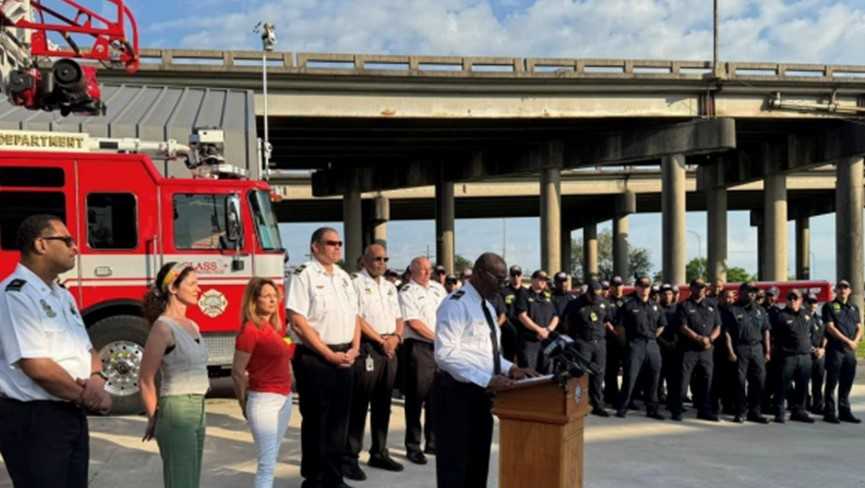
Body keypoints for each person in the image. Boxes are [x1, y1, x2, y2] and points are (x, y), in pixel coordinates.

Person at [0, 215, 111, 488]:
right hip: (35, 419)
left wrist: (97, 378)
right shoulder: (15, 295)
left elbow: (87, 348)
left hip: (69, 412)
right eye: (67, 240)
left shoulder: (62, 296)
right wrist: (88, 397)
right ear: (41, 244)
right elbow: (36, 366)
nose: (76, 248)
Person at [433, 252, 536, 488]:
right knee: (456, 468)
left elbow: (486, 354)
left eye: (504, 278)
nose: (502, 284)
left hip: (482, 395)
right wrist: (487, 380)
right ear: (479, 273)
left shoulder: (487, 307)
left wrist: (512, 369)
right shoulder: (455, 304)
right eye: (498, 278)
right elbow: (445, 354)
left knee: (477, 465)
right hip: (457, 395)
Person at [286, 227, 361, 488]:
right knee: (317, 420)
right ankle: (315, 477)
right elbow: (297, 321)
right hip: (316, 356)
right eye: (331, 243)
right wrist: (329, 354)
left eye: (339, 242)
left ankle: (334, 476)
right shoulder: (303, 274)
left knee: (340, 421)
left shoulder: (343, 277)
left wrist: (355, 348)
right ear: (315, 246)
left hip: (345, 354)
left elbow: (355, 317)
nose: (337, 247)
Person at [140, 262, 210, 488]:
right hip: (177, 408)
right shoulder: (163, 328)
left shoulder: (193, 325)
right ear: (173, 288)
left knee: (191, 480)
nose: (197, 288)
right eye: (192, 283)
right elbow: (145, 378)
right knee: (180, 482)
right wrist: (154, 417)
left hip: (199, 407)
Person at [343, 244, 404, 480]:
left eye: (385, 259)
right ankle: (350, 457)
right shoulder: (356, 282)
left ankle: (379, 451)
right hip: (371, 347)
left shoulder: (390, 287)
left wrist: (396, 338)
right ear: (365, 260)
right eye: (377, 258)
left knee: (383, 403)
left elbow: (399, 317)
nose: (381, 262)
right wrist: (381, 340)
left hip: (390, 348)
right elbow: (356, 317)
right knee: (360, 404)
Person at [231, 278, 296, 488]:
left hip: (284, 399)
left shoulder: (276, 328)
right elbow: (237, 372)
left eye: (274, 295)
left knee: (272, 457)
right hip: (264, 401)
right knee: (267, 465)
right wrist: (243, 403)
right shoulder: (250, 330)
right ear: (254, 300)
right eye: (266, 296)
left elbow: (287, 352)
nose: (272, 300)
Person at [399, 256, 447, 465]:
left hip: (440, 348)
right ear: (413, 270)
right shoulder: (407, 291)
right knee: (416, 399)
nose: (428, 273)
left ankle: (433, 441)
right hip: (419, 348)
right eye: (423, 269)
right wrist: (439, 338)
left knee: (436, 398)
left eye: (430, 269)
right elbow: (414, 323)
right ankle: (413, 445)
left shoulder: (438, 288)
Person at [670, 278, 721, 422]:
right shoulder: (684, 305)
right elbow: (682, 327)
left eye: (703, 287)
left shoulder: (712, 306)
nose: (701, 289)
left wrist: (710, 339)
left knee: (707, 380)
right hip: (688, 350)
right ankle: (677, 410)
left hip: (707, 350)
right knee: (682, 381)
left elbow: (718, 326)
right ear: (691, 288)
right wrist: (699, 338)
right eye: (697, 287)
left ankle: (704, 410)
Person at [616, 276, 666, 420]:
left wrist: (652, 338)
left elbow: (661, 325)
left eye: (647, 286)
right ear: (636, 287)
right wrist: (628, 343)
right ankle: (623, 407)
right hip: (635, 344)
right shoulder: (628, 305)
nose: (645, 289)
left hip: (652, 344)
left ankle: (652, 409)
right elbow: (620, 327)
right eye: (642, 286)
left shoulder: (655, 306)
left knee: (654, 377)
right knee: (630, 377)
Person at [720, 282, 770, 424]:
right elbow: (727, 333)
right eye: (749, 291)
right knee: (740, 382)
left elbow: (766, 330)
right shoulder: (732, 309)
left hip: (757, 349)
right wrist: (730, 351)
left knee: (759, 381)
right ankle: (740, 412)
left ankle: (755, 412)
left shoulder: (760, 310)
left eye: (754, 291)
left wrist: (767, 351)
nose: (752, 294)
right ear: (741, 292)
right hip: (740, 348)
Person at [563, 280, 612, 416]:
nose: (595, 299)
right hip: (582, 343)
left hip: (600, 343)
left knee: (599, 374)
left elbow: (608, 320)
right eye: (593, 297)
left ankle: (598, 405)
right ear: (588, 293)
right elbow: (566, 323)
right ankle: (579, 405)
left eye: (598, 296)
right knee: (581, 374)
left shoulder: (604, 303)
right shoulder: (575, 304)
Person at [771, 290, 815, 423]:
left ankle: (799, 411)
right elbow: (775, 337)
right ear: (786, 300)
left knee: (802, 386)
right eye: (790, 298)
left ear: (801, 300)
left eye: (796, 298)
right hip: (788, 357)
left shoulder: (806, 314)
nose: (793, 301)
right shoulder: (781, 316)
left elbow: (812, 333)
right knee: (782, 385)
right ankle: (779, 412)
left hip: (805, 356)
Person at [821, 280, 862, 423]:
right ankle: (830, 413)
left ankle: (845, 412)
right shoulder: (829, 306)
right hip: (835, 350)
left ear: (850, 291)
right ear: (835, 290)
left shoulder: (854, 308)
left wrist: (856, 341)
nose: (843, 290)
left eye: (846, 287)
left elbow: (859, 327)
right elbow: (830, 328)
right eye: (840, 287)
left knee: (847, 382)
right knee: (832, 382)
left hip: (850, 351)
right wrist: (848, 341)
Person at [514, 270, 559, 372]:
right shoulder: (523, 294)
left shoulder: (548, 296)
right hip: (530, 341)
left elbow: (556, 317)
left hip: (547, 341)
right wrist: (539, 330)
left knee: (547, 371)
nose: (543, 282)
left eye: (545, 280)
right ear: (533, 280)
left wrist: (547, 331)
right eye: (540, 279)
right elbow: (522, 316)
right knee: (529, 373)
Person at [604, 276, 627, 408]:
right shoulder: (605, 302)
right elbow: (604, 319)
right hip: (610, 341)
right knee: (611, 371)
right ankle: (610, 396)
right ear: (611, 287)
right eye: (615, 285)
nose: (617, 288)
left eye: (620, 285)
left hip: (625, 342)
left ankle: (623, 398)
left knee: (627, 371)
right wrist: (611, 329)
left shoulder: (628, 301)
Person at [499, 265, 526, 363]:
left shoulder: (526, 292)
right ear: (509, 276)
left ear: (521, 276)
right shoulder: (503, 292)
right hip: (508, 333)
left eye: (518, 274)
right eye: (513, 275)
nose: (516, 277)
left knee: (524, 362)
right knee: (508, 361)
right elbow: (502, 313)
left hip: (524, 333)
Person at [806, 294, 827, 415]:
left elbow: (825, 335)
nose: (812, 305)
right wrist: (813, 349)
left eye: (814, 302)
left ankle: (818, 405)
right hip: (806, 354)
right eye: (809, 302)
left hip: (819, 355)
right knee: (803, 382)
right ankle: (804, 404)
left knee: (818, 382)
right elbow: (800, 337)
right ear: (805, 303)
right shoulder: (801, 317)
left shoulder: (820, 319)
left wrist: (823, 349)